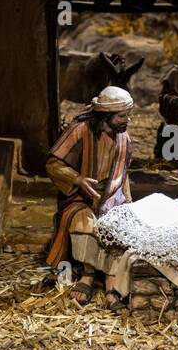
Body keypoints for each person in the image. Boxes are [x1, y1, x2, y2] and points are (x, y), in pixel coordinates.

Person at [45, 85, 134, 310]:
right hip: (80, 199)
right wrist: (77, 179)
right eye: (122, 115)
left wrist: (129, 203)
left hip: (112, 198)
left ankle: (112, 282)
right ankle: (88, 275)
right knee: (85, 224)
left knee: (121, 228)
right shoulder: (80, 130)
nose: (128, 120)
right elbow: (53, 164)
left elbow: (123, 174)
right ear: (106, 115)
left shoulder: (123, 138)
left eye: (128, 114)